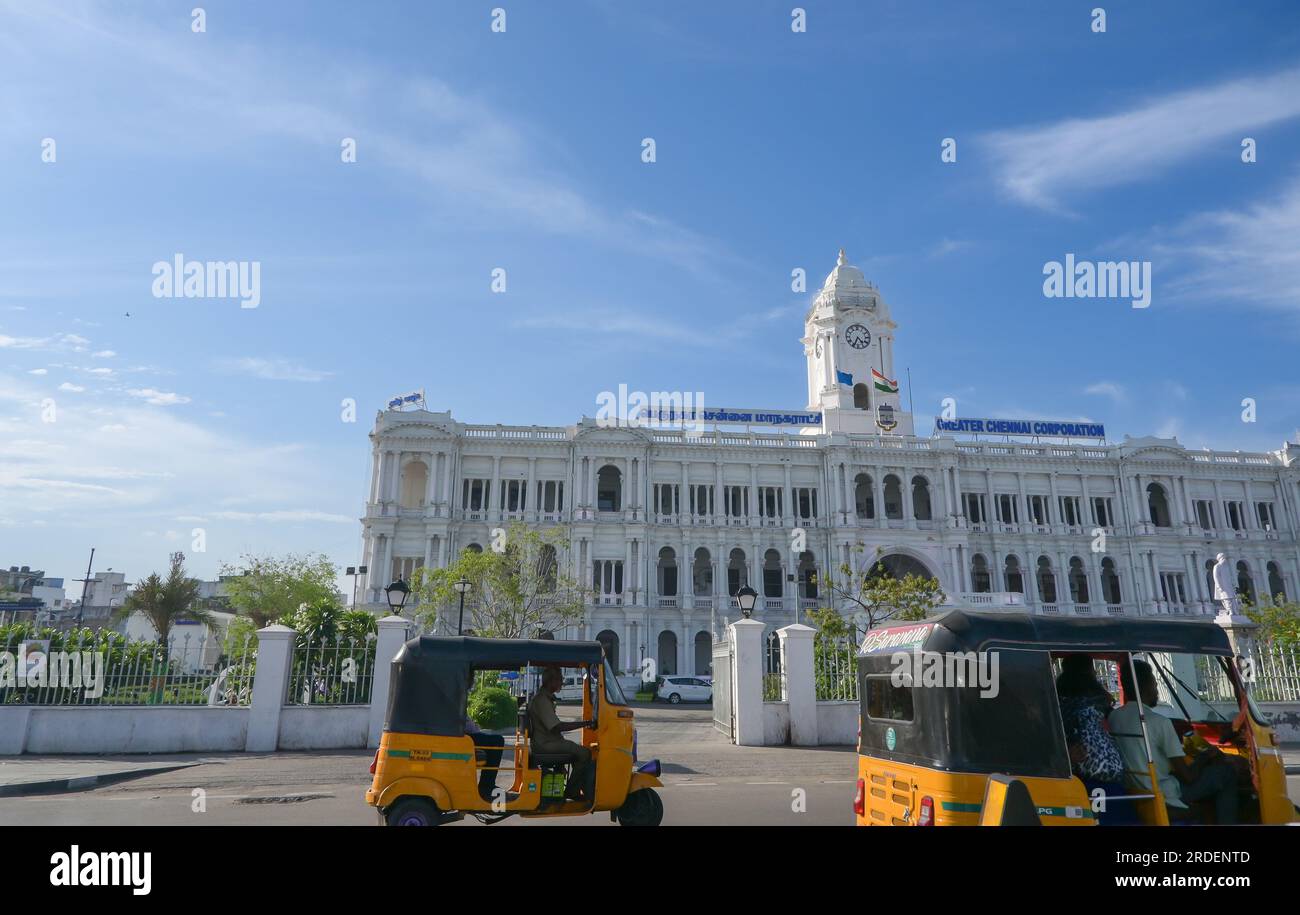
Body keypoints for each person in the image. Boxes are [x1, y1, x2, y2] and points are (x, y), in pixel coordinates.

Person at [1108, 659, 1239, 824]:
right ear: (1147, 687)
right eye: (1155, 685)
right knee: (1226, 773)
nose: (1156, 691)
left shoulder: (1114, 717)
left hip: (1135, 788)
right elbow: (1188, 777)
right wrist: (1207, 756)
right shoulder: (1160, 722)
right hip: (1165, 793)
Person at [1055, 655, 1126, 807]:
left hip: (1076, 772)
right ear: (1089, 672)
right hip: (1108, 772)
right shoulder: (1098, 699)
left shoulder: (1057, 701)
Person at [528, 666, 595, 801]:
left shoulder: (545, 698)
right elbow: (557, 727)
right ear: (550, 681)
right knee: (585, 753)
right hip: (545, 744)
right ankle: (572, 790)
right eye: (559, 680)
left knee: (578, 752)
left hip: (547, 741)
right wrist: (586, 724)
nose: (561, 683)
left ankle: (575, 786)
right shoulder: (542, 700)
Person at [464, 672, 505, 802]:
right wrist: (476, 729)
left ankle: (487, 785)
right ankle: (486, 786)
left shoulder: (456, 692)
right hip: (467, 737)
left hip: (468, 735)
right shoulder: (458, 694)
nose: (473, 681)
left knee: (493, 738)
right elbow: (463, 723)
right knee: (498, 741)